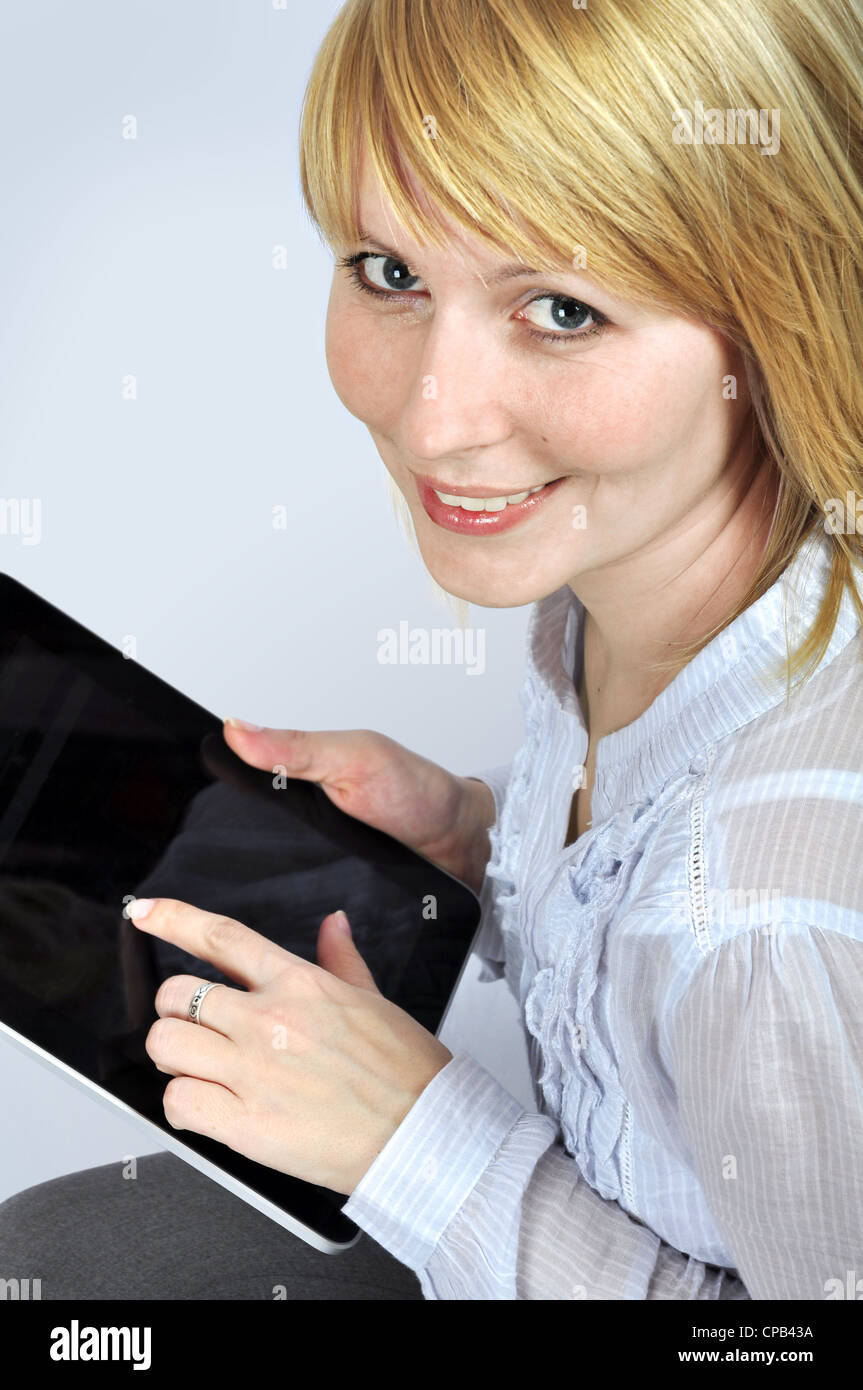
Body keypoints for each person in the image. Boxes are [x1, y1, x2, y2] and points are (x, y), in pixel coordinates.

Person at [2, 0, 862, 1299]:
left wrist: (421, 1142)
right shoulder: (608, 589)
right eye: (390, 273)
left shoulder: (771, 920)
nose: (432, 416)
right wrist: (481, 842)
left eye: (562, 308)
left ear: (789, 312)